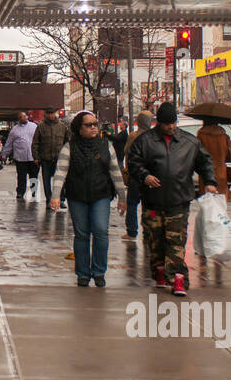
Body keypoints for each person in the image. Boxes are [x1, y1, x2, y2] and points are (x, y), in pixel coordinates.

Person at [126, 102, 217, 297]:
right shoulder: (145, 141)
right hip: (153, 200)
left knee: (176, 242)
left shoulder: (189, 142)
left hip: (179, 200)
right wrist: (145, 176)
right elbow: (133, 162)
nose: (172, 127)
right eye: (167, 124)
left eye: (174, 123)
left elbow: (205, 161)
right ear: (159, 123)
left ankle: (178, 280)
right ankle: (159, 271)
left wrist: (209, 181)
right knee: (155, 240)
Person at [51, 111, 125, 287]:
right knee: (82, 234)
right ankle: (83, 273)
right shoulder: (69, 147)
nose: (93, 127)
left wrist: (123, 196)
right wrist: (55, 196)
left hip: (101, 195)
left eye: (95, 124)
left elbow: (116, 172)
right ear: (79, 128)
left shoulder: (106, 146)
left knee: (100, 231)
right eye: (89, 125)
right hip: (77, 196)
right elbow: (60, 172)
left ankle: (99, 272)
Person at [122, 110, 154, 239]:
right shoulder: (153, 136)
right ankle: (149, 229)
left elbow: (126, 152)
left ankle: (131, 230)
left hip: (135, 175)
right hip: (150, 175)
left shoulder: (133, 136)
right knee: (150, 205)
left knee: (132, 204)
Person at [31, 106, 69, 211]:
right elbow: (35, 143)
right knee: (46, 181)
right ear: (46, 114)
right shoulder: (41, 126)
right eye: (49, 113)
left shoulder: (62, 126)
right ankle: (49, 200)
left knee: (61, 180)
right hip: (45, 158)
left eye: (52, 113)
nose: (51, 115)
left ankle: (61, 199)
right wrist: (36, 157)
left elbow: (67, 142)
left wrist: (67, 157)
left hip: (59, 158)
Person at [1, 112, 39, 199]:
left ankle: (34, 192)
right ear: (19, 119)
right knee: (21, 176)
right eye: (22, 117)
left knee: (34, 176)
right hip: (20, 157)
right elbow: (9, 143)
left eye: (25, 116)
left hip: (33, 157)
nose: (24, 118)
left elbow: (39, 140)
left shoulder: (34, 126)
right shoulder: (14, 130)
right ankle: (20, 192)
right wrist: (4, 155)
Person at [196, 117, 231, 200]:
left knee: (207, 205)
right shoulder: (224, 136)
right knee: (220, 205)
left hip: (206, 174)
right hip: (221, 174)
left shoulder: (201, 134)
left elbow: (197, 154)